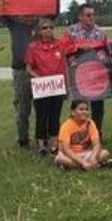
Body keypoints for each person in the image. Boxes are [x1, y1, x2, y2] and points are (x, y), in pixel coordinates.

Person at [0, 0, 62, 150]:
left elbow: (53, 9)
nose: (28, 12)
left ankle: (47, 139)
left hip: (45, 72)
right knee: (23, 107)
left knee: (47, 108)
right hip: (22, 70)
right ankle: (23, 139)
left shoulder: (42, 23)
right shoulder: (14, 22)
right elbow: (1, 3)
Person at [63, 2, 112, 131]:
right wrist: (77, 47)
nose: (92, 18)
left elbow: (106, 51)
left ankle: (96, 133)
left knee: (98, 106)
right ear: (80, 16)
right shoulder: (70, 32)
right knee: (79, 106)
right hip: (78, 76)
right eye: (88, 15)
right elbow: (63, 49)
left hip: (97, 75)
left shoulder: (100, 32)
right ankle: (78, 134)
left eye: (93, 15)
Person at [25, 19, 68, 156]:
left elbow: (65, 66)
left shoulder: (60, 45)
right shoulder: (33, 47)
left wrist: (66, 86)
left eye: (51, 27)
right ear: (39, 30)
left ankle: (54, 144)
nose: (48, 30)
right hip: (42, 86)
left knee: (55, 115)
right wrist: (38, 78)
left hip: (57, 86)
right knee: (41, 116)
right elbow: (28, 68)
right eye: (44, 28)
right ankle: (41, 145)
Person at [55, 101, 112, 171]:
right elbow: (66, 149)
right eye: (81, 109)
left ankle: (75, 167)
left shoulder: (90, 123)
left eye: (86, 109)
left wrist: (93, 157)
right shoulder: (66, 126)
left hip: (86, 153)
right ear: (73, 112)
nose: (84, 112)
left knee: (105, 153)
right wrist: (82, 162)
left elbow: (97, 144)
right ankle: (96, 165)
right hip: (70, 155)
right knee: (60, 159)